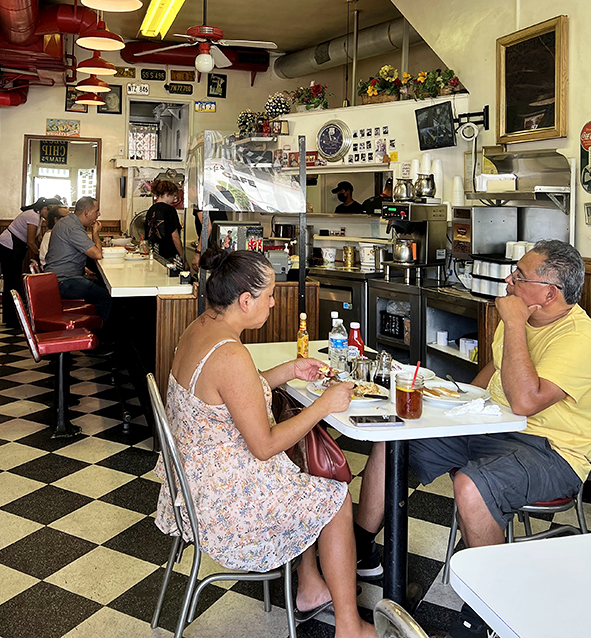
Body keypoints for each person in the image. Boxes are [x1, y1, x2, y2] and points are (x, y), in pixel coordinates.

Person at [355, 240, 591, 638]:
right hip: (492, 429)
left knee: (472, 485)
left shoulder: (579, 338)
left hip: (552, 451)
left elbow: (524, 401)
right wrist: (464, 403)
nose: (510, 281)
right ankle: (361, 549)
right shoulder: (521, 318)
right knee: (393, 436)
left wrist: (514, 323)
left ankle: (488, 610)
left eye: (520, 276)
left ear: (550, 293)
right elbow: (496, 370)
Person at [155, 249, 375, 637]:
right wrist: (324, 405)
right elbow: (264, 445)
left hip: (193, 485)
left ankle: (309, 586)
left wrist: (289, 370)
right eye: (270, 295)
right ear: (245, 301)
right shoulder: (231, 355)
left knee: (300, 473)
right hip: (224, 506)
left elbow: (234, 395)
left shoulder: (201, 328)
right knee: (335, 497)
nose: (274, 302)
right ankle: (349, 626)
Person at [44, 196, 112, 333]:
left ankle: (91, 331)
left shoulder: (68, 223)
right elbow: (97, 254)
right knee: (105, 295)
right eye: (97, 211)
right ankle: (98, 341)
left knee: (101, 284)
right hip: (63, 280)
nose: (99, 214)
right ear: (87, 212)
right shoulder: (73, 227)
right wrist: (95, 233)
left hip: (58, 277)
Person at [0, 196, 61, 327]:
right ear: (44, 209)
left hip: (15, 248)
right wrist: (41, 254)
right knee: (11, 282)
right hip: (7, 247)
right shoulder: (32, 216)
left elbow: (35, 240)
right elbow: (30, 242)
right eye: (51, 212)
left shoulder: (37, 217)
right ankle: (11, 319)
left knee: (14, 280)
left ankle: (14, 317)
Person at [145, 179, 184, 262]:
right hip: (168, 255)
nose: (174, 199)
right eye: (173, 196)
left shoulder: (151, 209)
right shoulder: (170, 210)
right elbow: (175, 236)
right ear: (167, 194)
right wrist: (183, 257)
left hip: (153, 254)